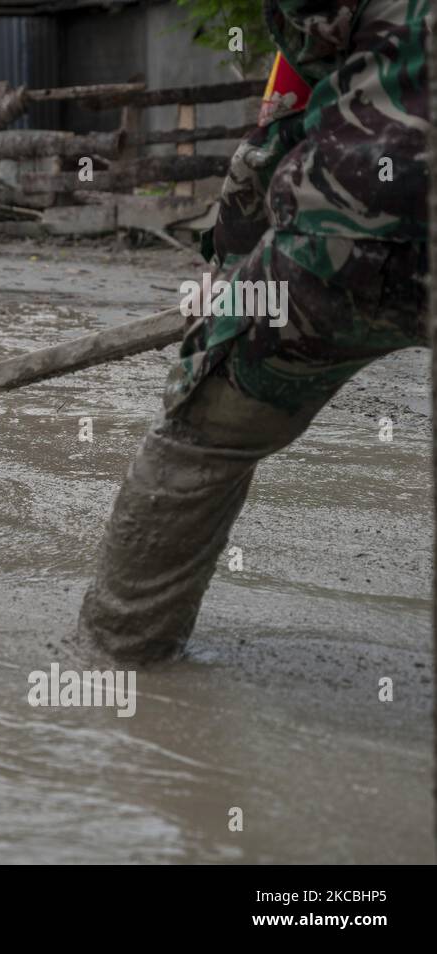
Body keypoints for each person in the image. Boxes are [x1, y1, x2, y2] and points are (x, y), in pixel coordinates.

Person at [79, 0, 430, 661]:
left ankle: (119, 660)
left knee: (200, 443)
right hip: (351, 222)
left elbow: (286, 119)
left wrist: (231, 262)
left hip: (344, 231)